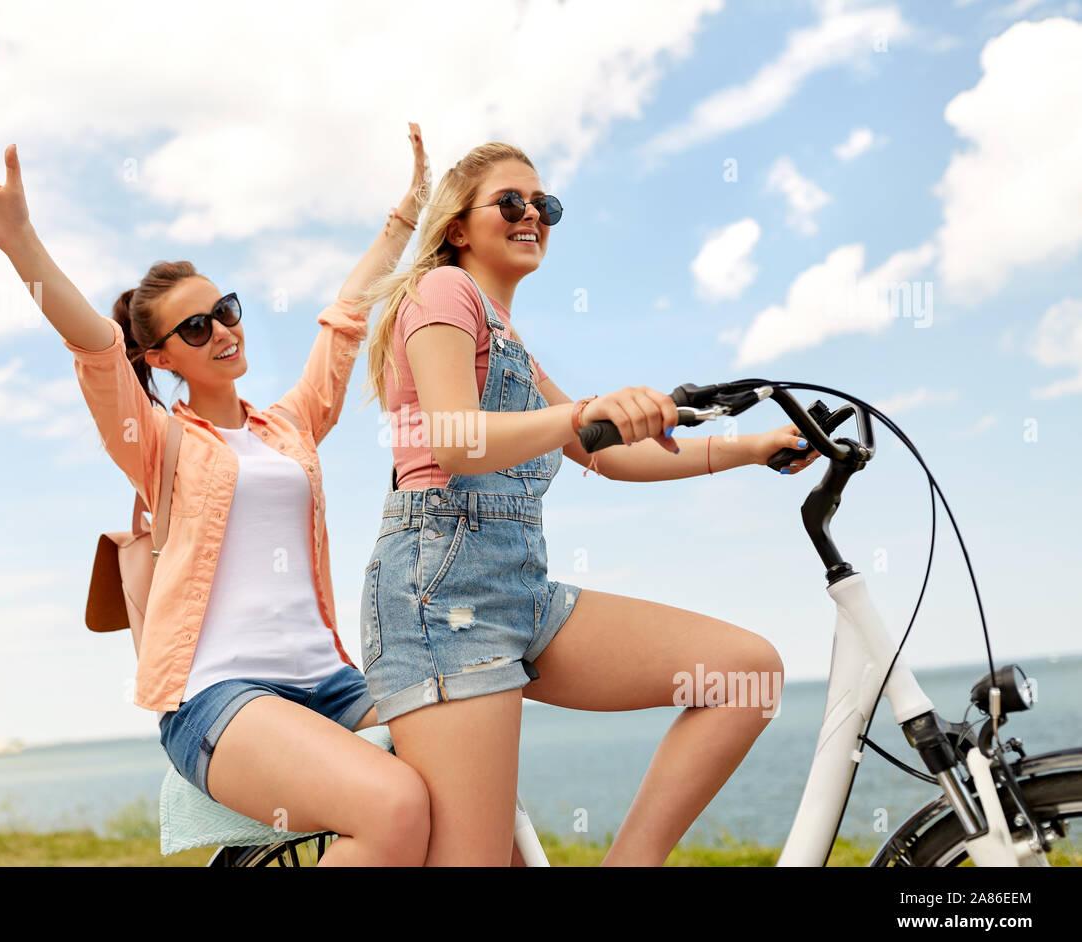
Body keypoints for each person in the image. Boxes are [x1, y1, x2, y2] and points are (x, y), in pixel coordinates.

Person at [0, 123, 436, 865]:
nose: (222, 329)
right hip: (220, 697)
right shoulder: (158, 440)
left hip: (334, 682)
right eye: (195, 327)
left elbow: (347, 316)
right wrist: (20, 243)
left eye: (227, 309)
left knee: (464, 772)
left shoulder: (289, 426)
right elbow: (93, 346)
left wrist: (406, 217)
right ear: (158, 356)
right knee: (397, 806)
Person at [351, 141, 822, 866]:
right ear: (457, 227)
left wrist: (751, 447)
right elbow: (452, 440)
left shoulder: (511, 343)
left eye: (547, 206)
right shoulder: (442, 292)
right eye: (512, 202)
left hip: (517, 585)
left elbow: (602, 454)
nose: (533, 214)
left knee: (744, 674)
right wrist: (583, 413)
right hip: (439, 592)